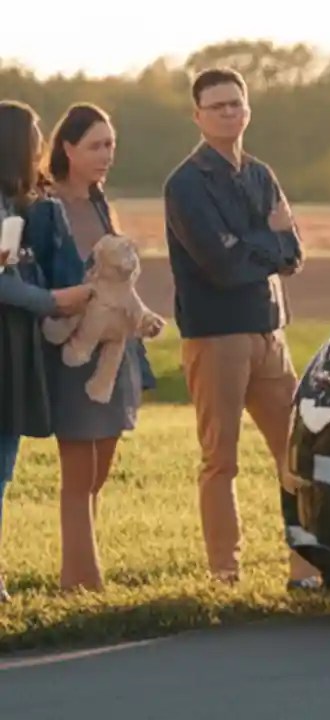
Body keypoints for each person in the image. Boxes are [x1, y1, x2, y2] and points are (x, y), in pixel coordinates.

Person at [163, 67, 321, 591]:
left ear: (248, 110)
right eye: (217, 106)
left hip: (270, 332)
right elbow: (221, 267)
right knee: (220, 459)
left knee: (296, 455)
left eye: (236, 104)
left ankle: (306, 568)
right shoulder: (185, 184)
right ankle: (224, 573)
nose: (229, 113)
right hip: (217, 335)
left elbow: (294, 254)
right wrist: (270, 240)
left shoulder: (260, 174)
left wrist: (260, 243)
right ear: (198, 116)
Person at [41, 102, 165, 592]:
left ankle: (80, 572)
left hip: (118, 354)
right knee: (79, 470)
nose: (106, 154)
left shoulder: (101, 204)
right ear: (67, 148)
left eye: (110, 144)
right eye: (95, 145)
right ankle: (82, 584)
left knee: (101, 470)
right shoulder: (45, 208)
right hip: (72, 352)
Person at [0, 99, 95, 601]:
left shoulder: (19, 204)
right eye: (35, 132)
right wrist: (54, 300)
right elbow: (1, 281)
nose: (41, 141)